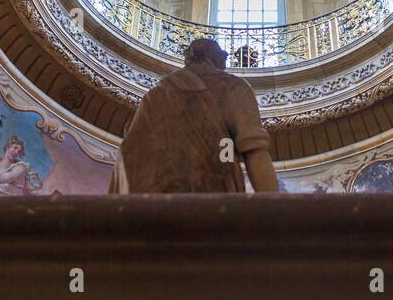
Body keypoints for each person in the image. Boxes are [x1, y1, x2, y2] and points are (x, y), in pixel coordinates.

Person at [110, 38, 279, 193]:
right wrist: (274, 213)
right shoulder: (234, 87)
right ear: (217, 59)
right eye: (223, 57)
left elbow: (129, 156)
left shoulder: (155, 95)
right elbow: (255, 151)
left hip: (154, 210)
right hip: (216, 206)